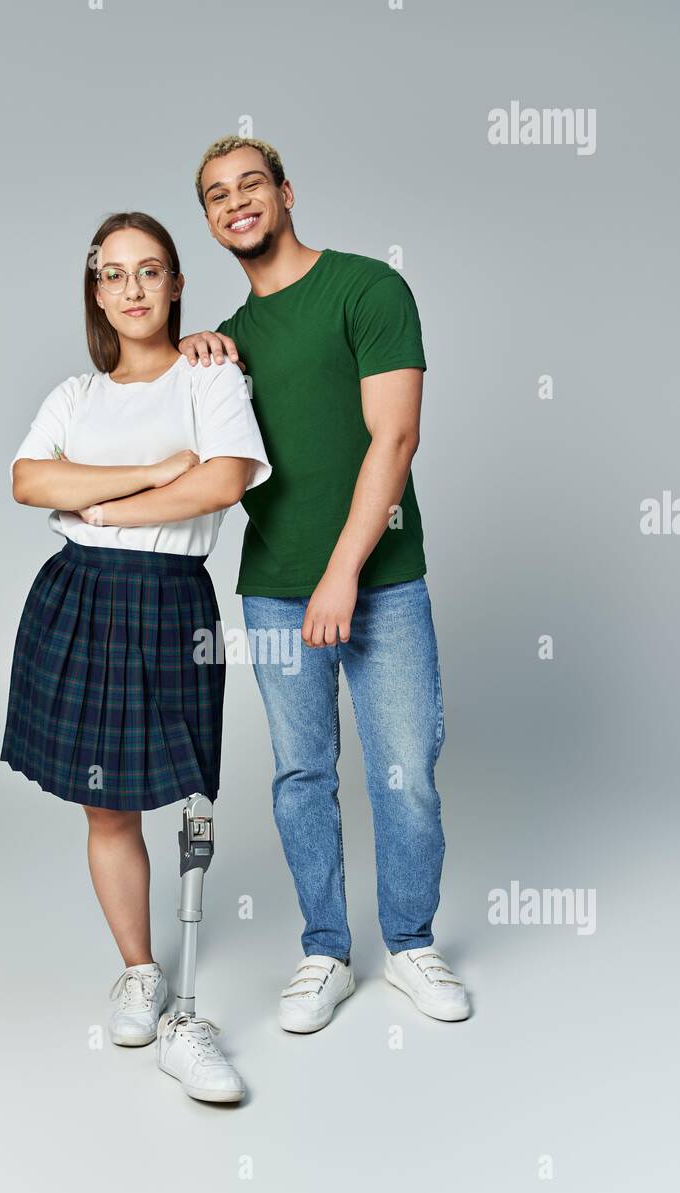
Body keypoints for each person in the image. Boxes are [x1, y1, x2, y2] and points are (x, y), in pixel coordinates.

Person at [179, 136, 471, 1033]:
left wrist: (342, 574)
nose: (237, 202)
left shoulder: (367, 288)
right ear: (211, 221)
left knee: (406, 774)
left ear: (286, 193)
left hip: (378, 580)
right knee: (302, 774)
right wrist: (193, 355)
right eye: (217, 195)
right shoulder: (231, 342)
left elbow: (395, 438)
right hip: (271, 586)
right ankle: (326, 952)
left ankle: (412, 945)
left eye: (250, 184)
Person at [1, 211, 271, 1101]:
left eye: (149, 271)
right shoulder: (76, 396)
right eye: (113, 275)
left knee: (187, 792)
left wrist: (108, 509)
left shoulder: (209, 376)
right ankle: (142, 971)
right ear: (96, 292)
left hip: (166, 599)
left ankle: (189, 1016)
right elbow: (30, 480)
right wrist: (154, 475)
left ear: (177, 283)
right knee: (104, 804)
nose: (132, 289)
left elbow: (224, 479)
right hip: (76, 598)